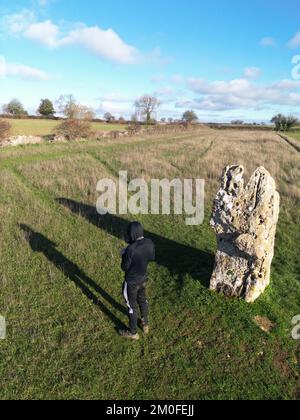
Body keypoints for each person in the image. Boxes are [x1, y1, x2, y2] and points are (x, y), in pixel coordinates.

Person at [119, 222, 155, 340]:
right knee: (143, 300)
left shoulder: (130, 250)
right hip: (143, 278)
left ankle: (133, 332)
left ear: (132, 233)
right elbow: (151, 257)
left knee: (131, 306)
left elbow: (124, 267)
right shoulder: (149, 242)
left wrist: (124, 255)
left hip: (131, 282)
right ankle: (145, 324)